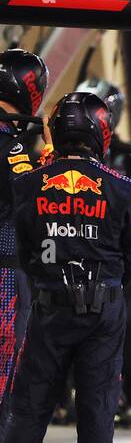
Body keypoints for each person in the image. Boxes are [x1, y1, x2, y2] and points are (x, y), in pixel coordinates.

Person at [0, 92, 131, 443]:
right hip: (103, 315)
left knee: (30, 409)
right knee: (97, 410)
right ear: (101, 133)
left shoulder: (30, 184)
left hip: (47, 310)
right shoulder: (122, 189)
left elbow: (23, 251)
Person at [0, 50, 46, 419]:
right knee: (5, 387)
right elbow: (32, 204)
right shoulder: (12, 145)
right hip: (5, 277)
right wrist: (51, 155)